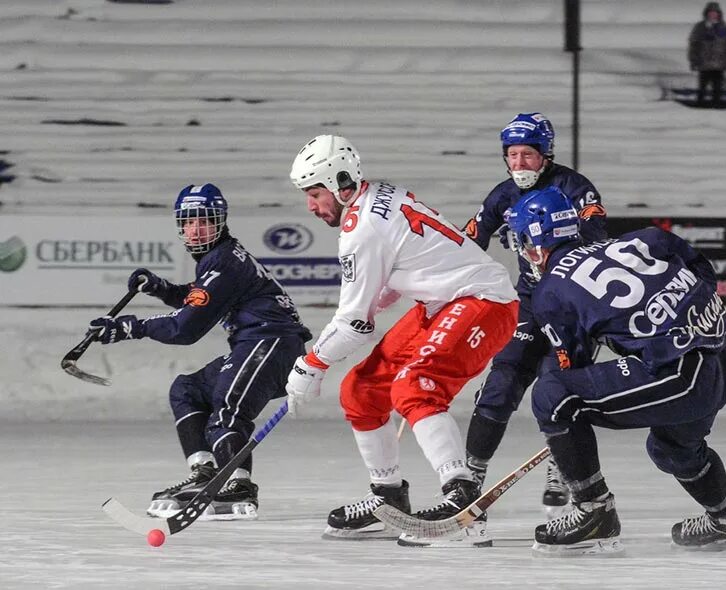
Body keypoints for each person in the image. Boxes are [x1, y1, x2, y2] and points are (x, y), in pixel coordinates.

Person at [286, 135, 518, 547]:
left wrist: (311, 364)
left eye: (315, 193)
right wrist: (380, 294)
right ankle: (388, 498)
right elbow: (411, 257)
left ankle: (462, 503)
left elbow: (355, 324)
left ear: (341, 184)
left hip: (482, 300)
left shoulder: (361, 229)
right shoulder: (378, 192)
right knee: (361, 390)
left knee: (415, 386)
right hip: (442, 302)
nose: (310, 205)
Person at [505, 187, 726, 555]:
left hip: (681, 377)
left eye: (524, 242)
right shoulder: (638, 240)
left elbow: (571, 370)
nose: (524, 251)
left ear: (538, 240)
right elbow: (690, 259)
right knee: (671, 449)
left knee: (551, 395)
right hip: (720, 359)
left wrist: (563, 433)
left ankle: (594, 512)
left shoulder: (550, 290)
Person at [88, 183, 311, 520]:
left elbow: (186, 327)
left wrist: (128, 327)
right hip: (258, 346)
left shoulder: (223, 264)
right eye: (188, 222)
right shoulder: (218, 260)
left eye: (203, 221)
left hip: (270, 345)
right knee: (187, 390)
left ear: (220, 221)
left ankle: (238, 487)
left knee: (227, 409)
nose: (195, 230)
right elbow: (200, 298)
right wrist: (162, 289)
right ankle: (206, 473)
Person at [461, 112, 607, 521]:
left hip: (570, 308)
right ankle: (468, 481)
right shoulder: (502, 193)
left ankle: (567, 473)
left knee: (558, 393)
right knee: (500, 384)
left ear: (546, 155)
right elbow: (469, 240)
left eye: (528, 154)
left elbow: (598, 240)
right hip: (528, 305)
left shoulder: (576, 187)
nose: (520, 163)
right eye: (513, 155)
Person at [688, 2, 726, 108]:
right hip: (704, 64)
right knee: (702, 89)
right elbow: (693, 44)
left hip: (719, 64)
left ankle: (716, 107)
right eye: (711, 12)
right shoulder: (700, 26)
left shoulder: (724, 27)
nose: (713, 14)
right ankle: (699, 107)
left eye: (715, 12)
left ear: (719, 13)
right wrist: (693, 60)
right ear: (707, 13)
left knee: (717, 89)